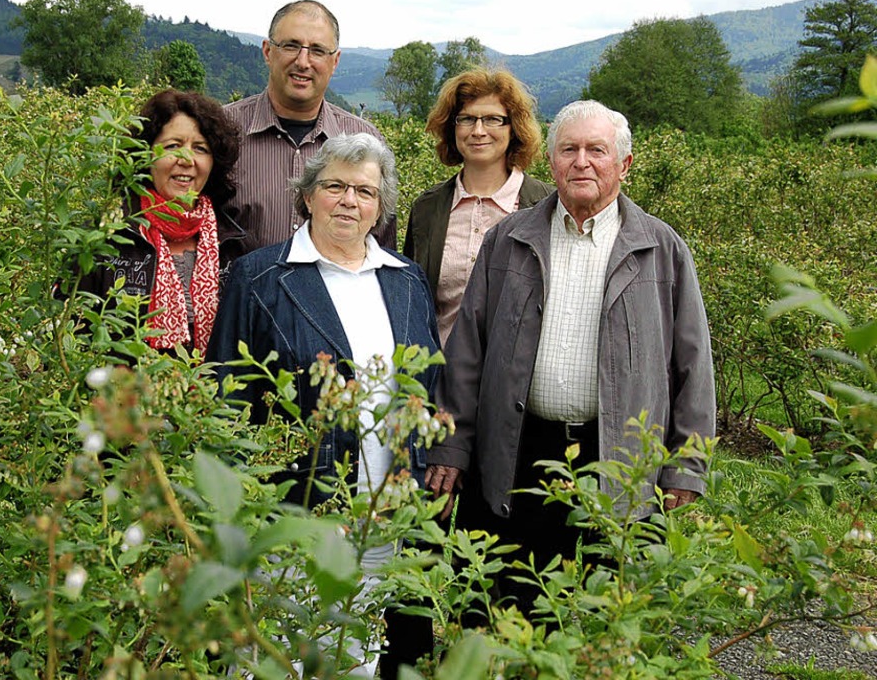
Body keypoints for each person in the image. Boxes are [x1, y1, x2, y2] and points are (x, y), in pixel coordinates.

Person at [425, 100, 715, 617]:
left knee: (611, 615)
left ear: (623, 165)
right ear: (552, 162)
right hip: (522, 451)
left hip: (621, 456)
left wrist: (686, 466)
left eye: (596, 151)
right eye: (570, 150)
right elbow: (467, 352)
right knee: (512, 608)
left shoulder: (661, 247)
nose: (582, 162)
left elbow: (692, 365)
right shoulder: (509, 240)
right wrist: (451, 445)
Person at [206, 133, 439, 676]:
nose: (349, 201)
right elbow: (226, 396)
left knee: (354, 658)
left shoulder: (405, 281)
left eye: (364, 190)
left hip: (383, 515)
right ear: (307, 195)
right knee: (274, 656)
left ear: (381, 207)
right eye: (334, 186)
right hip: (293, 512)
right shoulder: (262, 277)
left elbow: (427, 389)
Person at [221, 0, 395, 268]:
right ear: (268, 51)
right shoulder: (222, 131)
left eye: (317, 50)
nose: (303, 62)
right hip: (240, 307)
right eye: (291, 45)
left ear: (335, 61)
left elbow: (381, 248)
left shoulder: (365, 140)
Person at [75, 89, 241, 353]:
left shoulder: (234, 245)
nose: (186, 160)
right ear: (145, 155)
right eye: (173, 146)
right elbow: (72, 335)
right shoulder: (104, 237)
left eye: (200, 148)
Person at [403, 68, 554, 345]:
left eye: (493, 119)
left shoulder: (548, 207)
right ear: (453, 127)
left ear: (514, 127)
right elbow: (411, 303)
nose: (479, 130)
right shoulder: (427, 210)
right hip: (441, 379)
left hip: (520, 382)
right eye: (467, 119)